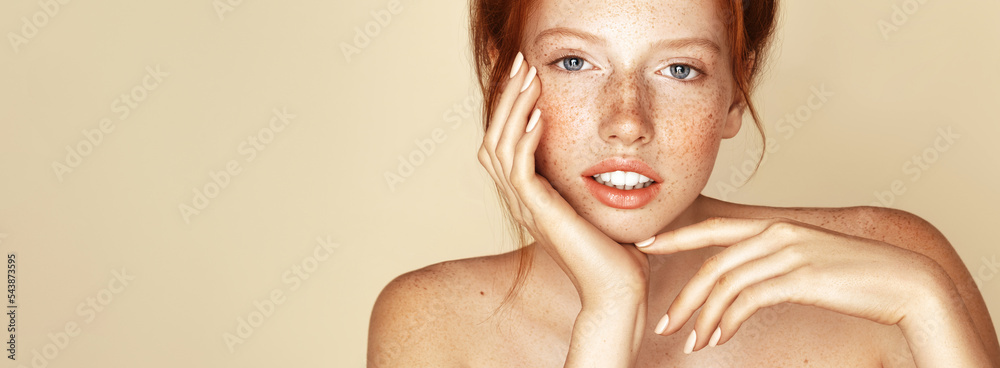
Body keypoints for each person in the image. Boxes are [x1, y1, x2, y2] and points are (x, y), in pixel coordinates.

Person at [367, 0, 1000, 366]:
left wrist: (927, 302)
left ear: (736, 92)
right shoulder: (432, 323)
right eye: (574, 62)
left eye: (679, 69)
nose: (627, 121)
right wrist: (609, 313)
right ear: (504, 77)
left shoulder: (899, 264)